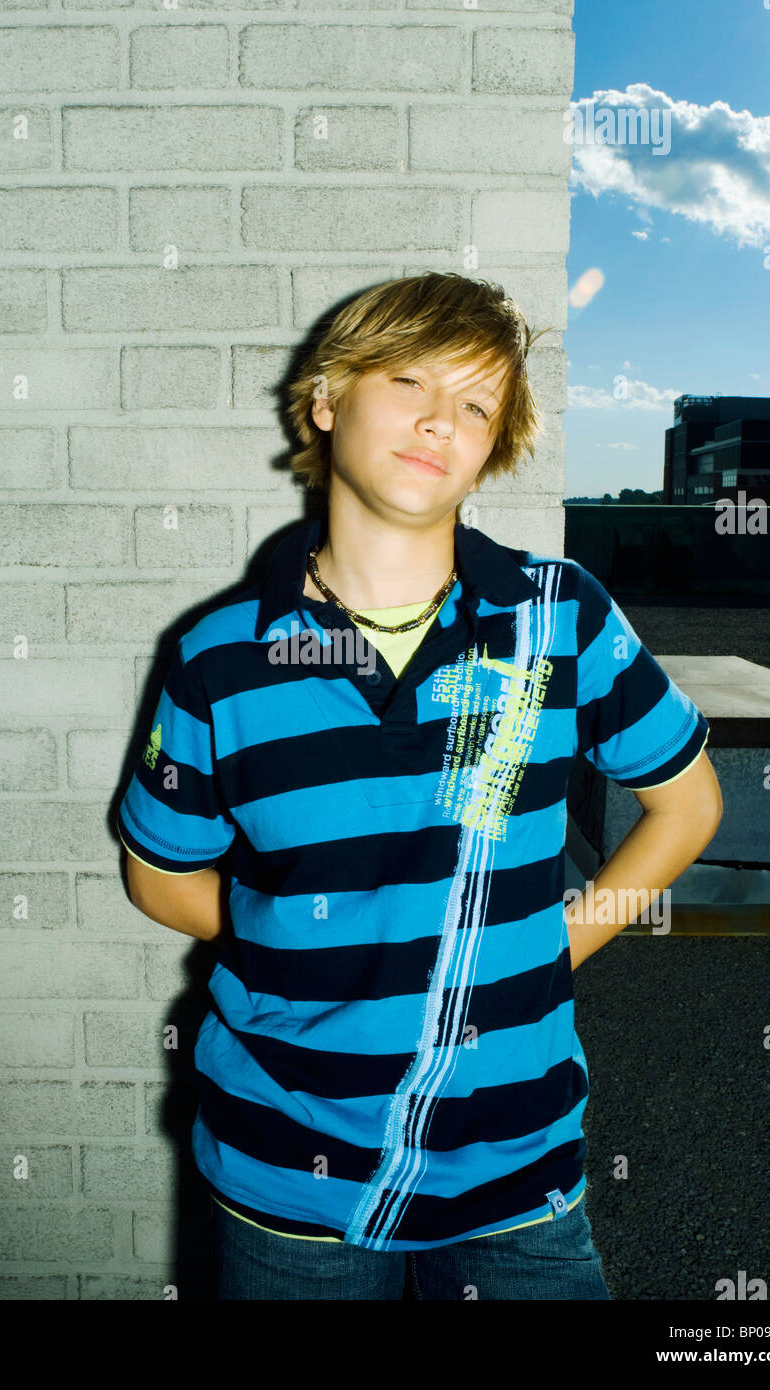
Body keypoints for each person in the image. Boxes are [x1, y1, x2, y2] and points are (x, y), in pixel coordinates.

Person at [116, 271, 724, 1300]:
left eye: (477, 404)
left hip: (516, 1170)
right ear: (325, 399)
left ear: (494, 446)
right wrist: (315, 934)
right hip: (290, 1179)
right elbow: (161, 879)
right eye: (408, 379)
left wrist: (553, 943)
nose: (441, 419)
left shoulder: (556, 620)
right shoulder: (217, 657)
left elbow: (689, 803)